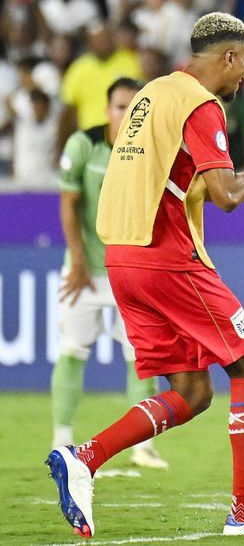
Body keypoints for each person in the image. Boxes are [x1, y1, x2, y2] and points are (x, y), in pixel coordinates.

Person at [45, 12, 244, 539]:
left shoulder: (152, 94)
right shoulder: (201, 104)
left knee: (194, 391)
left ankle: (84, 457)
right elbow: (228, 196)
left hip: (123, 258)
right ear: (229, 57)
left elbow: (184, 178)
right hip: (165, 256)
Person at [52, 77, 168, 470]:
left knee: (140, 357)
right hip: (83, 272)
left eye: (134, 108)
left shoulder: (152, 151)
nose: (126, 114)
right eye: (120, 107)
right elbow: (70, 205)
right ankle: (61, 438)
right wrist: (79, 261)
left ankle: (143, 448)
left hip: (130, 274)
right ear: (107, 110)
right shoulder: (84, 144)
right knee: (72, 351)